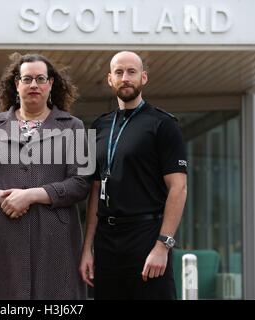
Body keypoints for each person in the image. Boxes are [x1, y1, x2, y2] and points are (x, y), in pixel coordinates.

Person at [0, 53, 90, 299]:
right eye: (27, 78)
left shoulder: (74, 126)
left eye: (41, 79)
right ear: (16, 84)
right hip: (4, 245)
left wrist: (31, 195)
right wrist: (2, 197)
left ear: (51, 84)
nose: (34, 85)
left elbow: (82, 183)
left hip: (56, 245)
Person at [79, 51, 187, 300]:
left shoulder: (163, 124)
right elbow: (95, 190)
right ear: (110, 79)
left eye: (131, 72)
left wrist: (163, 245)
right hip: (107, 241)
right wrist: (88, 249)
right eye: (119, 72)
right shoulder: (98, 126)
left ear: (144, 77)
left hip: (147, 237)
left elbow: (178, 188)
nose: (125, 78)